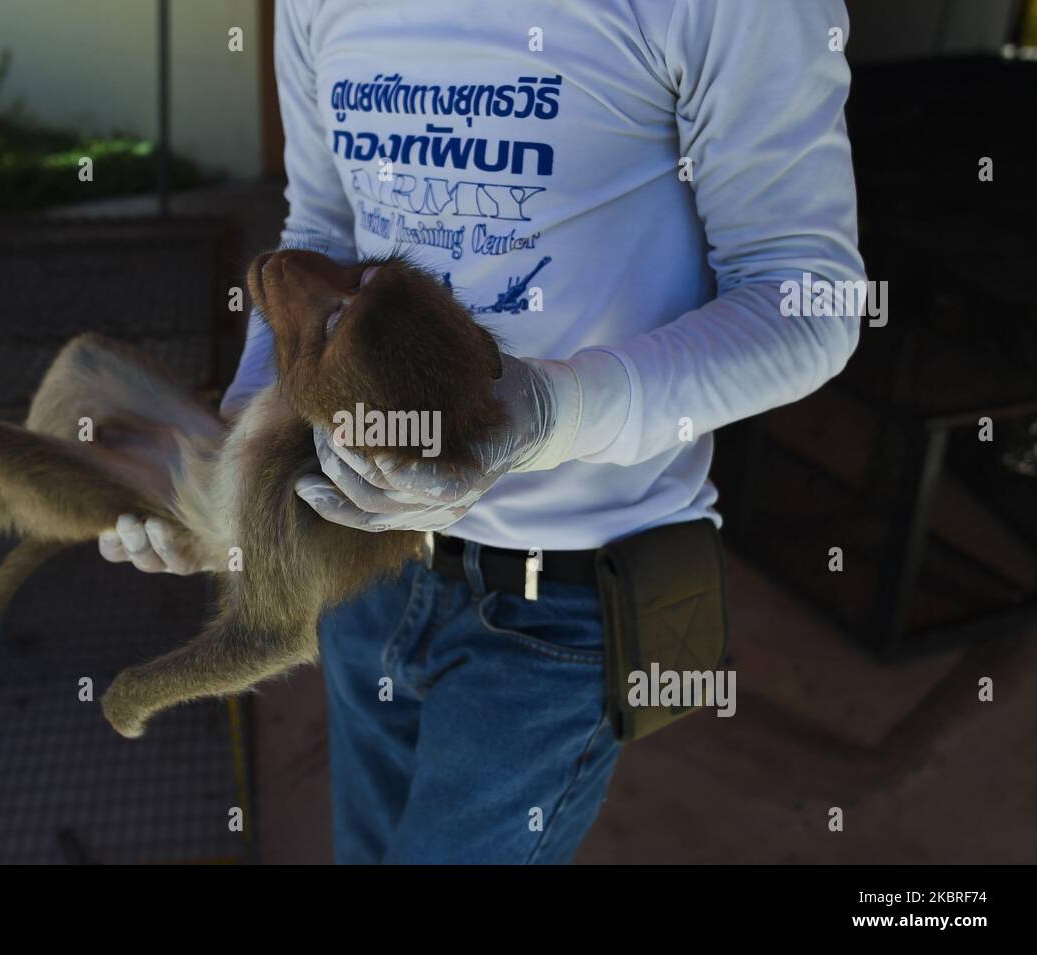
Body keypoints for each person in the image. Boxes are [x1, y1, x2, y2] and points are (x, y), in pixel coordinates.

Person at [101, 0, 865, 863]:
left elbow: (808, 300)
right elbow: (321, 232)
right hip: (359, 566)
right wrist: (236, 455)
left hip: (561, 604)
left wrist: (554, 413)